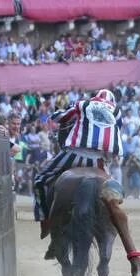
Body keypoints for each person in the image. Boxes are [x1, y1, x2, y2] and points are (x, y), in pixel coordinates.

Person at [33, 88, 122, 239]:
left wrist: (57, 112)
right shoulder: (117, 111)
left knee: (40, 180)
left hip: (73, 154)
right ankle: (115, 225)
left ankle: (44, 219)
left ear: (95, 98)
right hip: (99, 161)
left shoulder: (83, 104)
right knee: (113, 193)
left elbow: (60, 118)